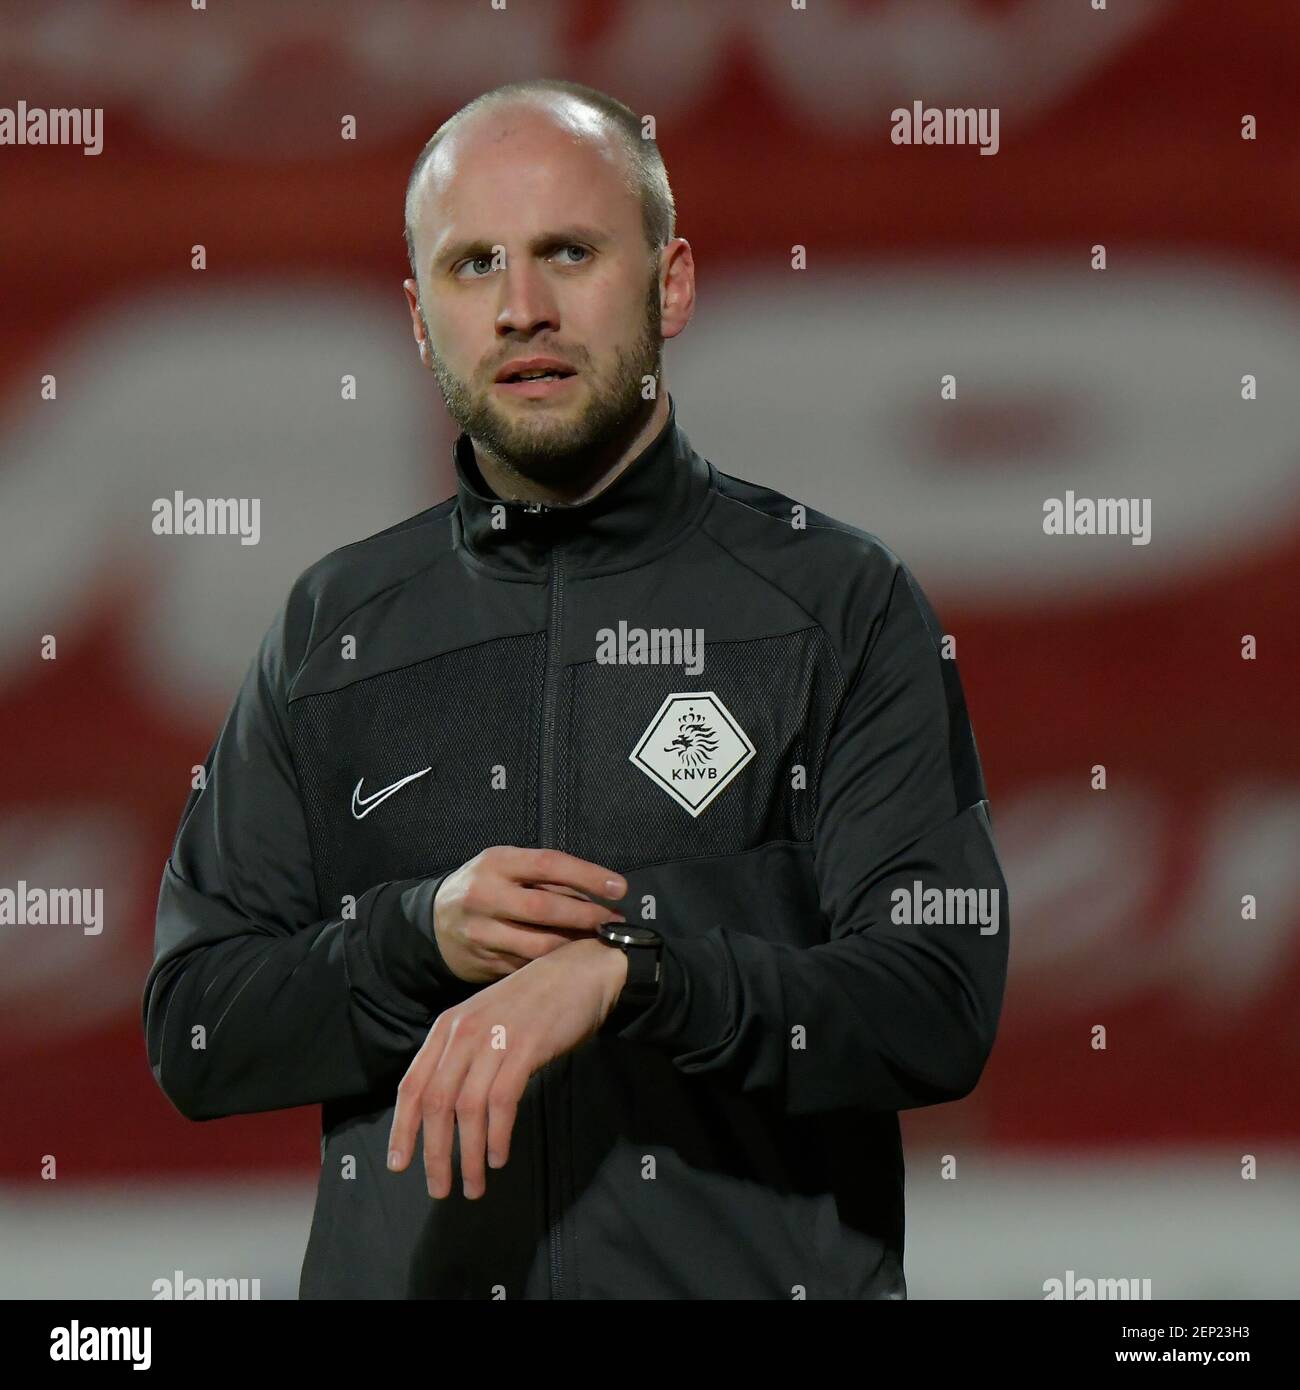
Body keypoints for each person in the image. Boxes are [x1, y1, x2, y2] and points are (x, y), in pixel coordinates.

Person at [143, 77, 1010, 1300]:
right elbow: (194, 1026)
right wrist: (410, 936)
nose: (522, 308)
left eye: (569, 252)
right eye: (473, 264)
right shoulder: (331, 631)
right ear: (416, 316)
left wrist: (633, 973)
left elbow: (935, 999)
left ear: (671, 284)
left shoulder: (838, 602)